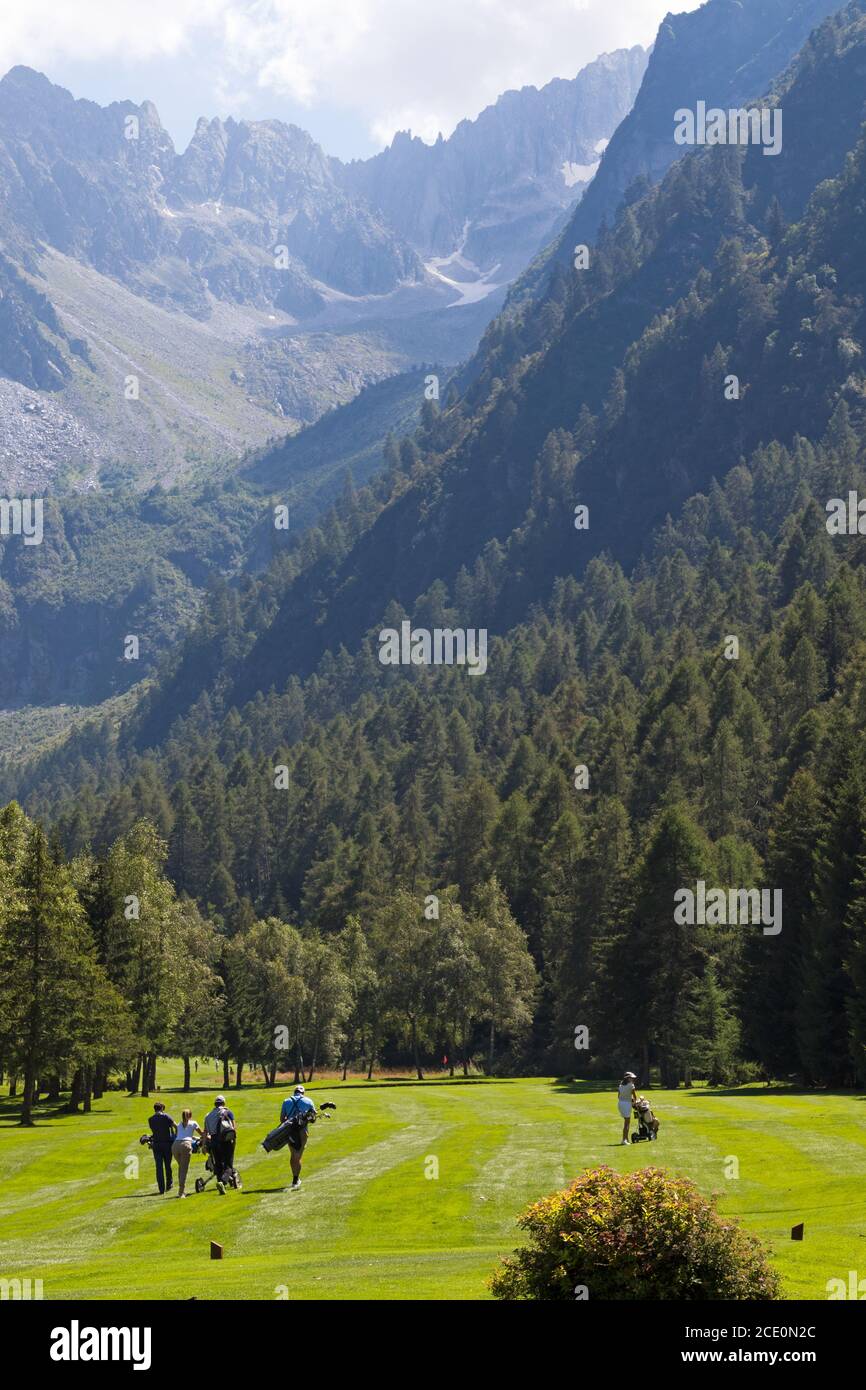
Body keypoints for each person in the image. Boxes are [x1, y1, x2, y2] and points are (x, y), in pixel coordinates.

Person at [278, 1085, 317, 1191]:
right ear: (303, 1093)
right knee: (298, 1155)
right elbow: (313, 1119)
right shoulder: (308, 1101)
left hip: (290, 1131)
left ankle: (295, 1178)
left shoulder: (286, 1101)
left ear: (294, 1092)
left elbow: (282, 1119)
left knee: (293, 1154)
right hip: (303, 1131)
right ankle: (295, 1180)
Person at [204, 1095, 238, 1194]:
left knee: (218, 1164)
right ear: (223, 1103)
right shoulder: (228, 1112)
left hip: (214, 1141)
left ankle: (220, 1183)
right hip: (226, 1141)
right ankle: (223, 1182)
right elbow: (234, 1128)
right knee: (228, 1165)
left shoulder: (208, 1115)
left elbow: (206, 1131)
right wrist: (234, 1140)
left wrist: (204, 1145)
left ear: (215, 1104)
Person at [172, 1109, 203, 1198]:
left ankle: (181, 1191)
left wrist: (194, 1137)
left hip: (175, 1146)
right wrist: (206, 1136)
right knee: (183, 1170)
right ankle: (181, 1193)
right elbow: (201, 1133)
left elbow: (183, 1135)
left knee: (181, 1168)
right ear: (190, 1115)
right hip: (185, 1146)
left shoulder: (179, 1125)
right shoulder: (193, 1123)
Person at [148, 1101, 177, 1193]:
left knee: (159, 1167)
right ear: (161, 1108)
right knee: (167, 1165)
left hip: (156, 1144)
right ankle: (169, 1184)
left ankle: (161, 1188)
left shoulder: (150, 1119)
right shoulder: (166, 1117)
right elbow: (175, 1126)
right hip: (167, 1143)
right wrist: (175, 1136)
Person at [617, 1071, 637, 1145]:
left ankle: (626, 1139)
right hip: (626, 1104)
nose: (632, 1079)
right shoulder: (631, 1085)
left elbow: (618, 1096)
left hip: (620, 1104)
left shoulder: (621, 1085)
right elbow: (634, 1096)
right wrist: (634, 1103)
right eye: (631, 1078)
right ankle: (624, 1140)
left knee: (626, 1122)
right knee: (627, 1123)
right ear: (628, 1078)